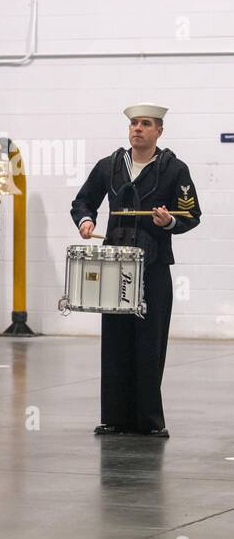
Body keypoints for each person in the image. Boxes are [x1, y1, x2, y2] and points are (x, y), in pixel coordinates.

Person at [71, 102, 200, 438]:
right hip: (115, 264)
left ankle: (149, 421)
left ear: (159, 130)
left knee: (149, 342)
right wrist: (86, 220)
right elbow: (83, 201)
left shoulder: (175, 169)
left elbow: (190, 214)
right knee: (114, 341)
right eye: (133, 124)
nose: (138, 129)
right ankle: (115, 417)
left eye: (145, 124)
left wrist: (169, 220)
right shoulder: (109, 166)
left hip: (153, 266)